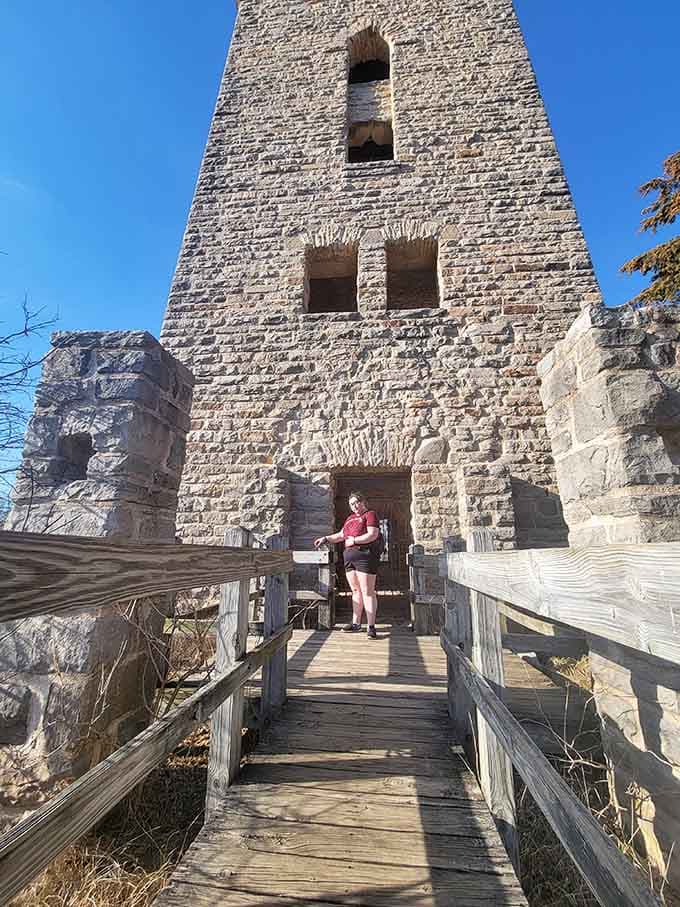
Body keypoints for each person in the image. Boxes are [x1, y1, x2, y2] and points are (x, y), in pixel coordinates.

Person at [314, 491, 380, 639]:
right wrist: (325, 538)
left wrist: (355, 541)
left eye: (357, 502)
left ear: (363, 502)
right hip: (349, 559)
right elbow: (340, 535)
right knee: (355, 590)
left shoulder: (370, 515)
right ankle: (356, 623)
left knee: (367, 591)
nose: (355, 506)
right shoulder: (350, 518)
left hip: (365, 557)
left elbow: (372, 534)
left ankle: (371, 626)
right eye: (351, 504)